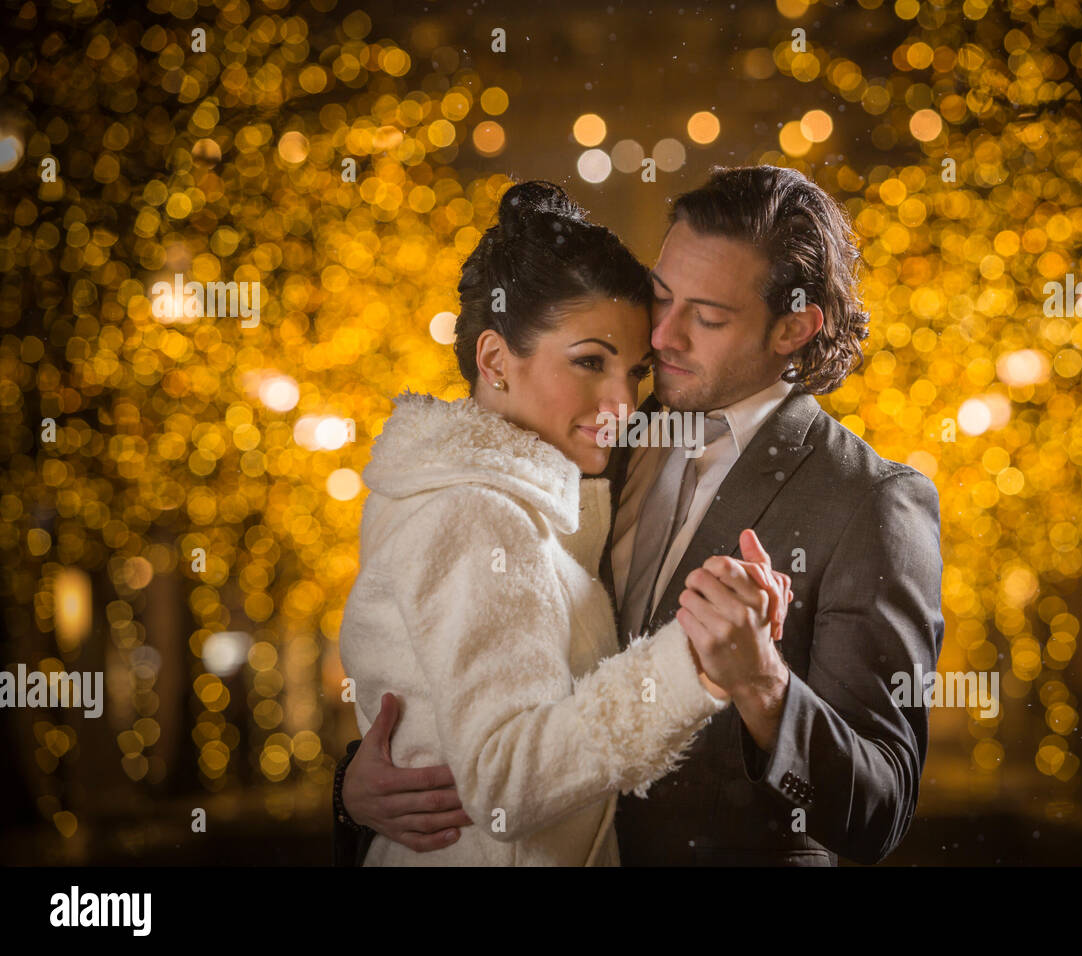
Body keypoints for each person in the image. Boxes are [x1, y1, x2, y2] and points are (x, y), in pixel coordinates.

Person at [337, 165, 945, 867]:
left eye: (708, 317)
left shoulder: (868, 501)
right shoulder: (589, 432)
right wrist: (359, 789)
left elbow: (878, 811)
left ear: (794, 327)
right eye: (661, 298)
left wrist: (763, 687)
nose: (663, 338)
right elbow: (478, 662)